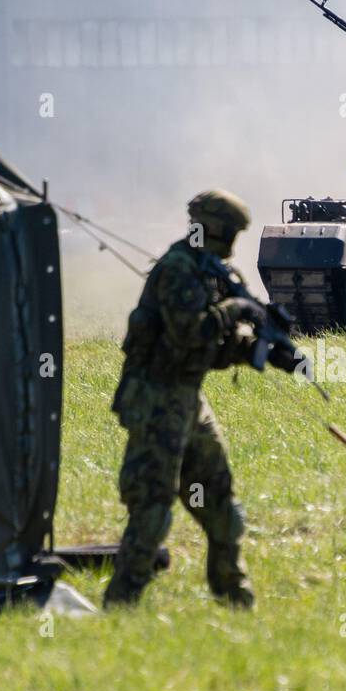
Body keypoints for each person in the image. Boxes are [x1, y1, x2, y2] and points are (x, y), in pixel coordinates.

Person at [104, 189, 266, 609]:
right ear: (212, 228)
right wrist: (236, 309)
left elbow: (212, 346)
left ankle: (235, 597)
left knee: (220, 499)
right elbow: (189, 333)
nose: (233, 240)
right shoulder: (178, 269)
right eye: (230, 231)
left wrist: (260, 349)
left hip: (187, 398)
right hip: (157, 396)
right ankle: (122, 602)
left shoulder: (210, 271)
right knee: (153, 507)